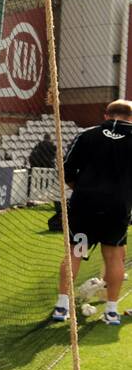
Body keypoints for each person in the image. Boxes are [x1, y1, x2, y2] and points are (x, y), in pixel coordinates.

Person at [50, 101, 132, 325]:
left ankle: (61, 307)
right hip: (117, 207)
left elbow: (66, 169)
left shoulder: (87, 135)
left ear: (106, 114)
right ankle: (111, 311)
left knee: (76, 252)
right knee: (114, 256)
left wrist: (81, 188)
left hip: (85, 205)